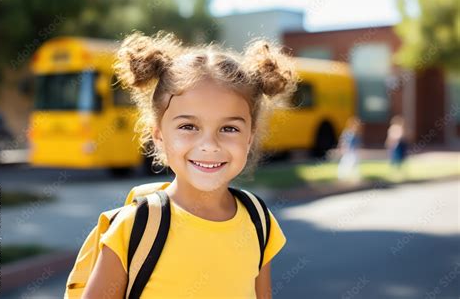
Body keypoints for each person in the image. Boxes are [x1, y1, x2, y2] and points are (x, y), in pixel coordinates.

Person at [82, 31, 297, 298]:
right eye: (188, 126)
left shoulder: (258, 220)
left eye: (229, 128)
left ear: (250, 137)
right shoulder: (134, 227)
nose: (209, 145)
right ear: (159, 135)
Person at [337, 117, 362, 181]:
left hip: (353, 151)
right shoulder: (347, 132)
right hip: (348, 151)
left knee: (354, 163)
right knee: (345, 162)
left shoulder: (357, 133)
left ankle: (355, 176)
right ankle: (342, 176)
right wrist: (342, 148)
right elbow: (343, 141)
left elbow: (357, 143)